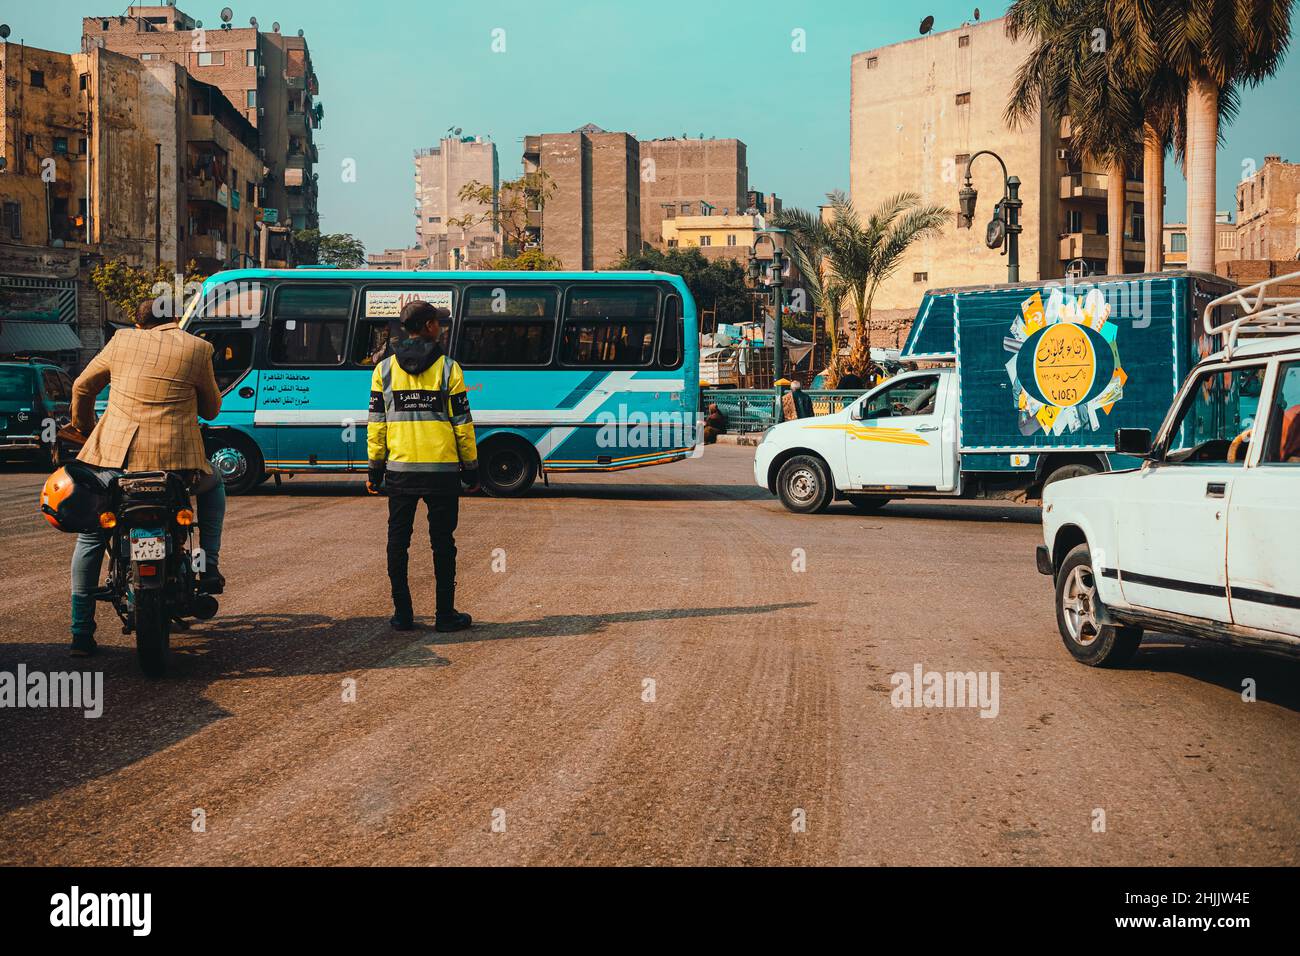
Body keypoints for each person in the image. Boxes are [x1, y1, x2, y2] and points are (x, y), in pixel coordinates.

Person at [62, 297, 227, 657]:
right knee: (215, 484)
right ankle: (210, 565)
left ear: (138, 324)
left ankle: (80, 633)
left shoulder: (120, 341)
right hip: (177, 467)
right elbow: (212, 410)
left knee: (92, 536)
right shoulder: (198, 348)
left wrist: (86, 430)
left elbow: (81, 388)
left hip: (117, 462)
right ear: (173, 320)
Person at [367, 300, 478, 632]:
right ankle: (445, 615)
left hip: (400, 472)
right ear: (428, 326)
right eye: (438, 323)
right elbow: (462, 423)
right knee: (443, 542)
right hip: (442, 473)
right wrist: (470, 467)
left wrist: (375, 468)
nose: (441, 328)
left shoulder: (383, 370)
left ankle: (403, 615)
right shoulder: (449, 368)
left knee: (398, 542)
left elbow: (377, 424)